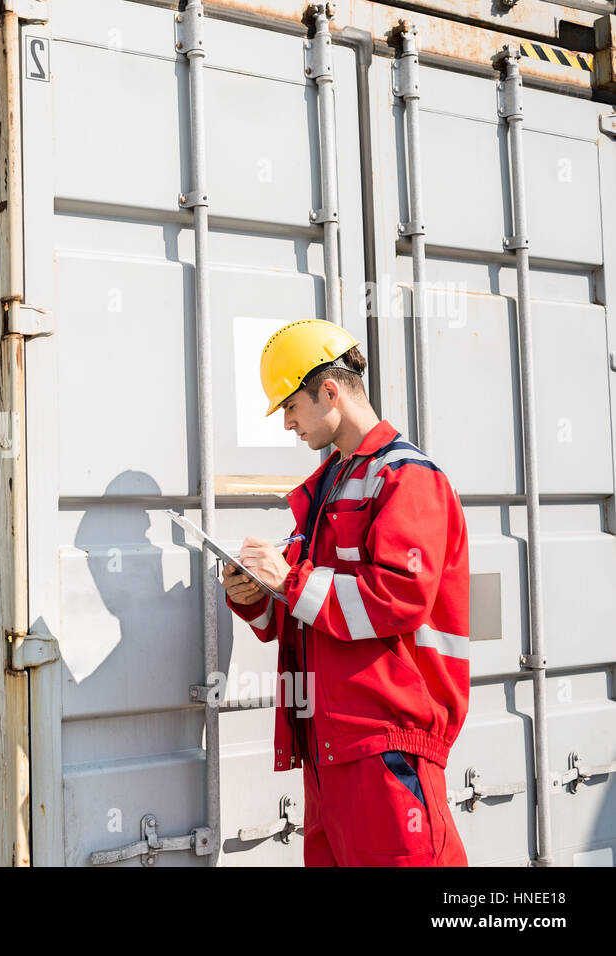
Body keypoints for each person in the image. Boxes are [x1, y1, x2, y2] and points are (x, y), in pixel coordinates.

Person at [221, 318, 471, 866]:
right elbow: (308, 612)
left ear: (329, 391)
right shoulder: (329, 487)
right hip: (328, 754)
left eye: (290, 406)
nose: (287, 423)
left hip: (387, 746)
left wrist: (288, 579)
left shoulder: (408, 478)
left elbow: (397, 597)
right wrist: (255, 595)